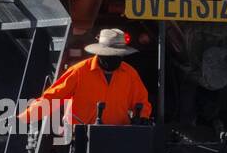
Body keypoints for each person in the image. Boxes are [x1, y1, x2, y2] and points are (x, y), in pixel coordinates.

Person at [22, 28, 151, 127]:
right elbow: (51, 98)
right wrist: (23, 119)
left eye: (117, 55)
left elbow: (141, 101)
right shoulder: (80, 71)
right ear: (99, 53)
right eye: (109, 54)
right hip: (79, 137)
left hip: (118, 138)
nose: (113, 58)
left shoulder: (129, 74)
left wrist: (143, 117)